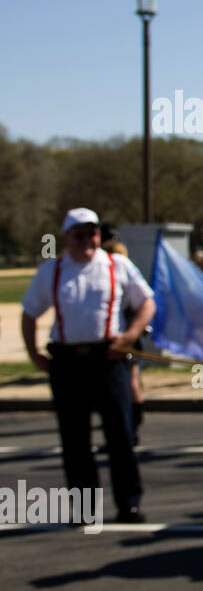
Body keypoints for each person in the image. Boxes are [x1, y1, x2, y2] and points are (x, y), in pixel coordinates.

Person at [20, 209, 156, 523]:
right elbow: (29, 313)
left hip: (108, 359)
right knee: (75, 440)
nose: (87, 241)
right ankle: (84, 509)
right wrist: (34, 353)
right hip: (68, 362)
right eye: (79, 235)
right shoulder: (51, 271)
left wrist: (130, 335)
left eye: (92, 233)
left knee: (120, 435)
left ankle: (128, 503)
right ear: (67, 238)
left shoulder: (116, 265)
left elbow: (146, 302)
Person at [100, 225, 145, 446]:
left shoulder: (112, 266)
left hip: (122, 332)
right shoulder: (127, 264)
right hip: (132, 331)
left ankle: (129, 426)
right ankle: (133, 425)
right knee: (133, 380)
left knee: (125, 383)